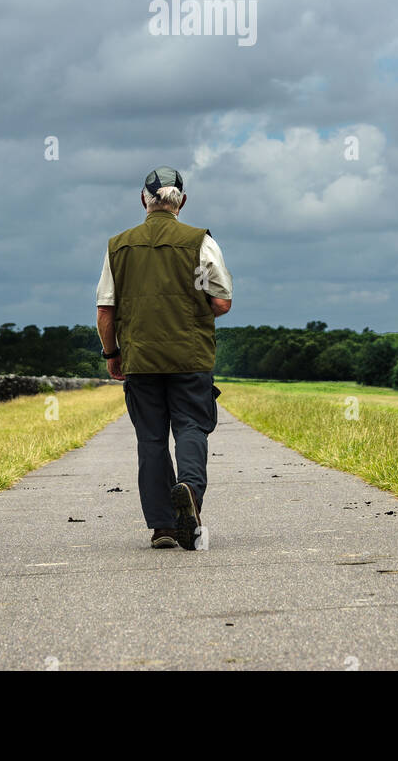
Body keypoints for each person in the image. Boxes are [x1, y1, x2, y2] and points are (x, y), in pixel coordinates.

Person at [95, 167, 233, 549]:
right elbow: (220, 301)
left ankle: (163, 526)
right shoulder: (198, 242)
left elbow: (105, 311)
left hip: (140, 359)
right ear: (181, 202)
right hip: (191, 357)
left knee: (151, 439)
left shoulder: (119, 246)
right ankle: (188, 488)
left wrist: (112, 353)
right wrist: (194, 304)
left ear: (144, 200)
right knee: (191, 426)